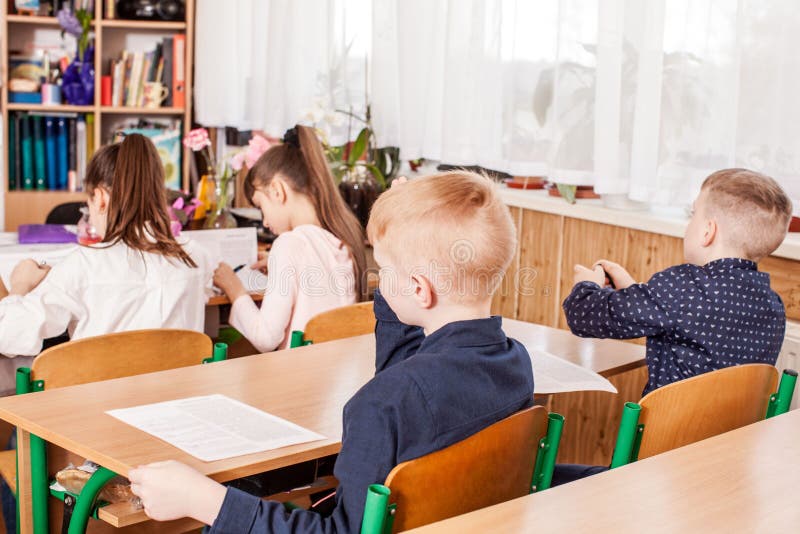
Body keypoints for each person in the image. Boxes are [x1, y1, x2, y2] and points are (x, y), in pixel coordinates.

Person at [129, 171, 534, 533]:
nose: (378, 279)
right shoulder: (515, 365)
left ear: (418, 290)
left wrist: (204, 500)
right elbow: (408, 372)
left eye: (385, 270)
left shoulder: (380, 406)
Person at [564, 168, 792, 395]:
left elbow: (583, 316)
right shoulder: (773, 306)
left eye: (693, 214)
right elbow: (687, 323)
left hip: (670, 431)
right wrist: (634, 290)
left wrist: (586, 285)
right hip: (737, 431)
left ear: (708, 232)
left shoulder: (681, 288)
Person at [213, 125, 366, 352]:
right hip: (338, 376)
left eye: (260, 206)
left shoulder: (287, 244)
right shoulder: (342, 238)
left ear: (277, 190)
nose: (264, 221)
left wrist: (234, 289)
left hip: (300, 378)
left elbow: (266, 338)